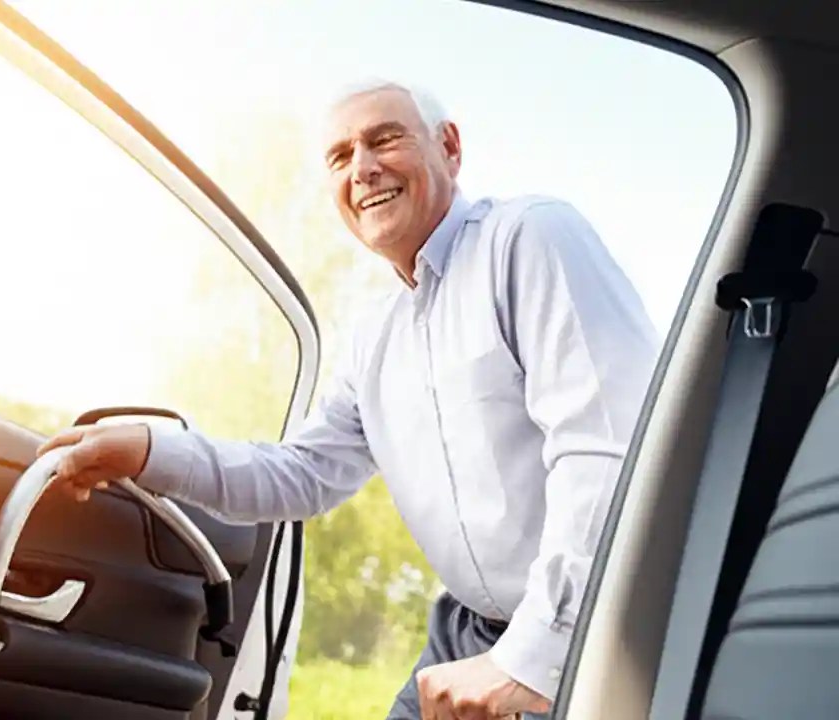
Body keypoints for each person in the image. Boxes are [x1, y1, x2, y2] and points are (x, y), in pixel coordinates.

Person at [38, 79, 659, 719]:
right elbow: (302, 474)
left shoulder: (529, 238)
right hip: (469, 630)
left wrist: (531, 656)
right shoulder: (375, 335)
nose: (362, 168)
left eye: (384, 139)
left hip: (588, 629)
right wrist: (148, 452)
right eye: (340, 157)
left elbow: (609, 450)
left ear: (449, 147)